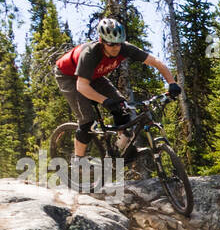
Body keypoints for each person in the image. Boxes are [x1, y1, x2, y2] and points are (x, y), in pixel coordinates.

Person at [55, 18, 181, 160]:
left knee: (121, 107)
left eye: (119, 43)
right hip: (68, 76)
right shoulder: (91, 53)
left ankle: (120, 149)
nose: (116, 47)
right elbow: (82, 86)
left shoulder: (125, 48)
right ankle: (78, 160)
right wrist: (105, 101)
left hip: (94, 76)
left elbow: (155, 62)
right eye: (111, 44)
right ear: (102, 41)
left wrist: (172, 83)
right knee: (87, 121)